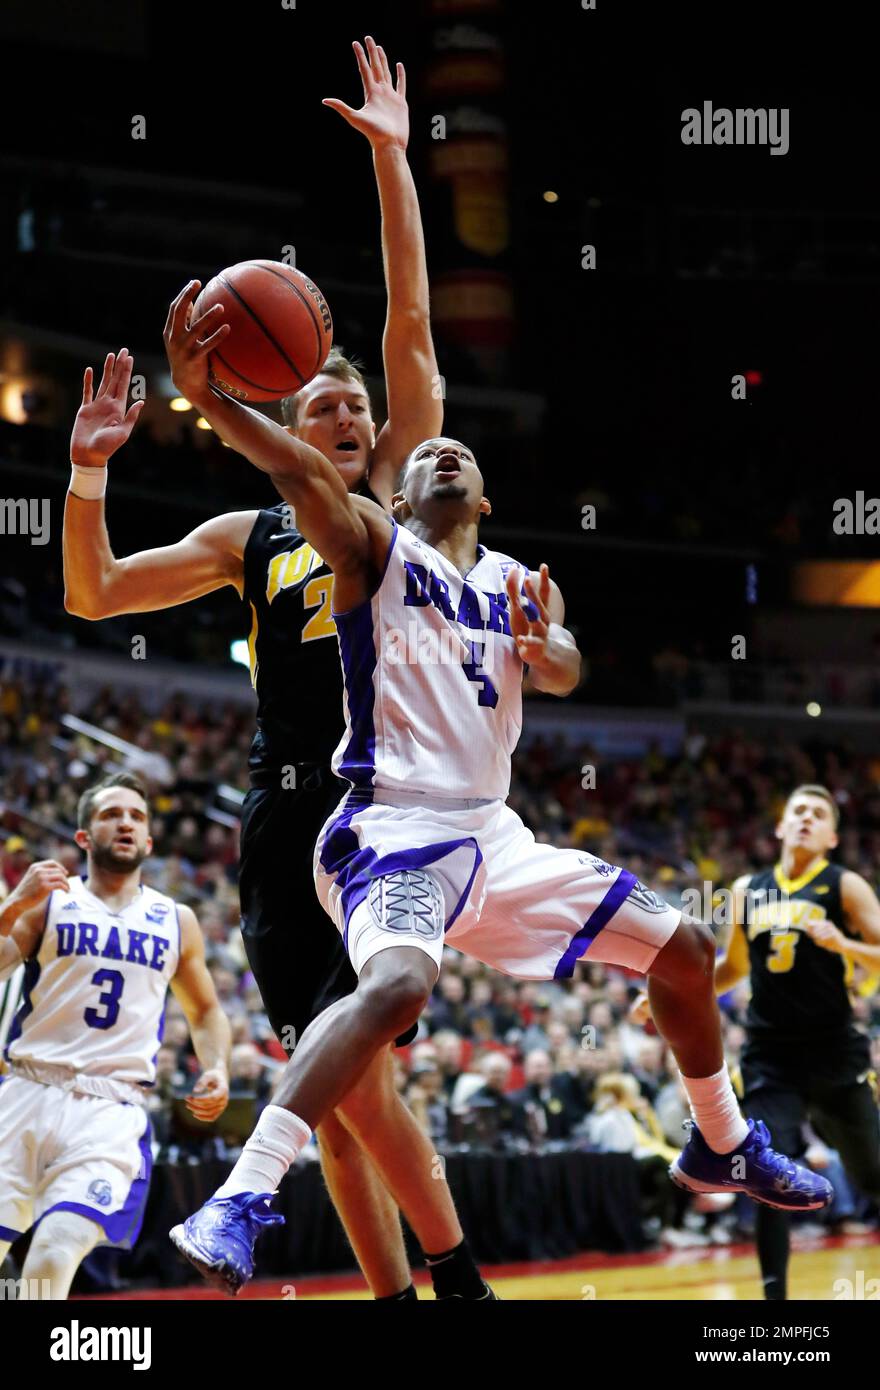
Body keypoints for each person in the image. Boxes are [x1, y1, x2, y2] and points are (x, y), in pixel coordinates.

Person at [163, 408, 832, 1293]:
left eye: (463, 454)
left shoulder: (525, 582)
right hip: (388, 828)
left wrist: (547, 647)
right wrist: (216, 404)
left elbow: (564, 666)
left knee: (689, 953)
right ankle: (241, 1197)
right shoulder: (375, 547)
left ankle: (722, 1143)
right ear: (396, 499)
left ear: (486, 498)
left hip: (495, 837)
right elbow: (298, 470)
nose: (446, 452)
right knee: (400, 983)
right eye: (430, 452)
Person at [62, 36, 490, 1303]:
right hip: (277, 814)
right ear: (282, 419)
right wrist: (90, 466)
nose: (348, 423)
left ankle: (453, 1282)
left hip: (381, 810)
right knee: (343, 1099)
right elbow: (92, 592)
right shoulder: (249, 537)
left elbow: (409, 322)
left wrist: (395, 167)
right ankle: (397, 1295)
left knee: (361, 1073)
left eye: (359, 414)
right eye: (322, 411)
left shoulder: (398, 522)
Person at [0, 772, 230, 1299]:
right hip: (26, 1091)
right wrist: (12, 905)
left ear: (149, 841)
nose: (125, 822)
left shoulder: (176, 919)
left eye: (136, 816)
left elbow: (205, 1011)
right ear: (84, 837)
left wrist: (215, 1066)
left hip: (111, 1106)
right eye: (110, 814)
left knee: (56, 1250)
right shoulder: (47, 903)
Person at [698, 785, 880, 1299]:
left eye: (818, 814)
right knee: (766, 1175)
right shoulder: (745, 889)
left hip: (834, 1053)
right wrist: (675, 996)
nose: (805, 818)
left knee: (872, 1178)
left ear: (832, 836)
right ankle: (774, 1300)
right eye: (797, 810)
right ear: (780, 827)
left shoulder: (845, 885)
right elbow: (733, 967)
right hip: (770, 1056)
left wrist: (843, 943)